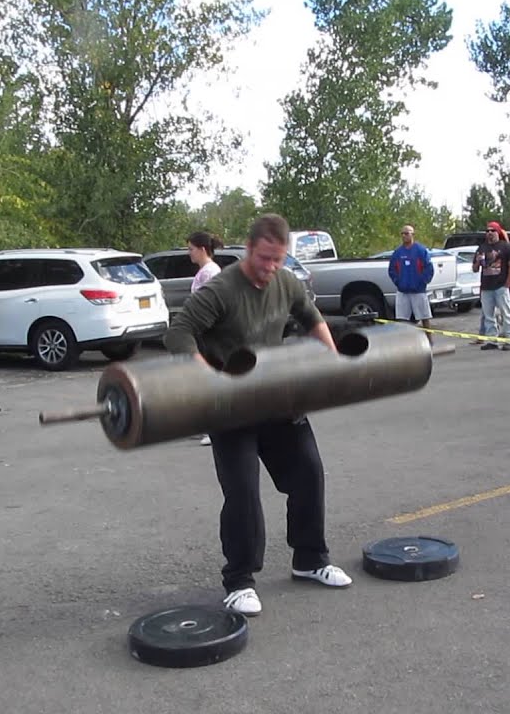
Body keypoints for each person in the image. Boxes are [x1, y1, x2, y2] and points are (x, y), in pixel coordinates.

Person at [163, 213, 352, 617]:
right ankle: (239, 582)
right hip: (230, 406)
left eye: (278, 260)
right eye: (265, 258)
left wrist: (334, 358)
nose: (270, 268)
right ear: (249, 249)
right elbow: (178, 331)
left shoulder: (285, 282)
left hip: (275, 397)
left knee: (308, 473)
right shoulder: (222, 289)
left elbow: (311, 316)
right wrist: (208, 374)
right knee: (244, 493)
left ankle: (310, 559)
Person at [187, 230, 224, 446]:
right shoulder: (204, 272)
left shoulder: (210, 272)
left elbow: (211, 305)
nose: (189, 254)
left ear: (202, 249)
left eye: (191, 249)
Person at [473, 221, 510, 351]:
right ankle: (492, 339)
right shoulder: (482, 248)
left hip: (501, 285)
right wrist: (478, 261)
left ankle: (509, 338)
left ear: (498, 232)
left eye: (492, 231)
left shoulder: (506, 247)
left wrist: (507, 284)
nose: (490, 233)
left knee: (505, 312)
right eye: (487, 231)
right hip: (486, 286)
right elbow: (475, 269)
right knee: (488, 314)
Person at [388, 224, 435, 339]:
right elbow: (392, 270)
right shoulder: (398, 253)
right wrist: (398, 282)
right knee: (402, 319)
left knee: (424, 317)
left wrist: (422, 282)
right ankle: (405, 343)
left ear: (412, 235)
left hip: (418, 291)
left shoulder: (420, 250)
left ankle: (429, 341)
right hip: (403, 291)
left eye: (407, 233)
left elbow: (429, 268)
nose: (404, 236)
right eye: (402, 234)